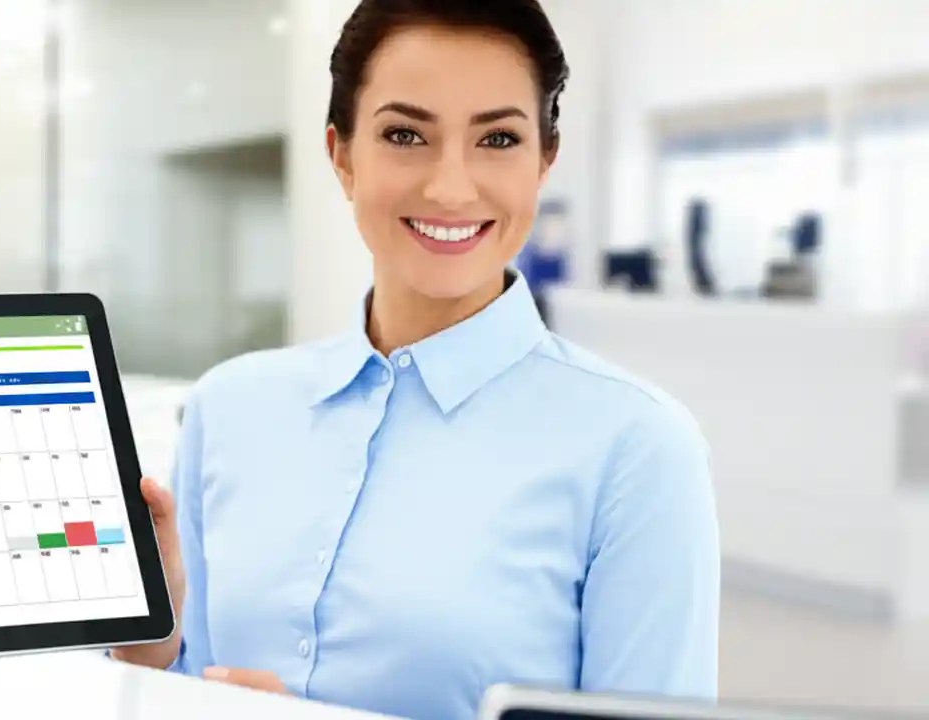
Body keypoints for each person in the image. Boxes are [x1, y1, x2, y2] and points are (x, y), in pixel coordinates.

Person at [114, 2, 720, 718]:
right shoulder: (230, 406)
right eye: (405, 134)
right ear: (341, 155)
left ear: (542, 162)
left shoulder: (637, 447)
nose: (451, 188)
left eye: (497, 139)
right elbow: (192, 686)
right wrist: (147, 643)